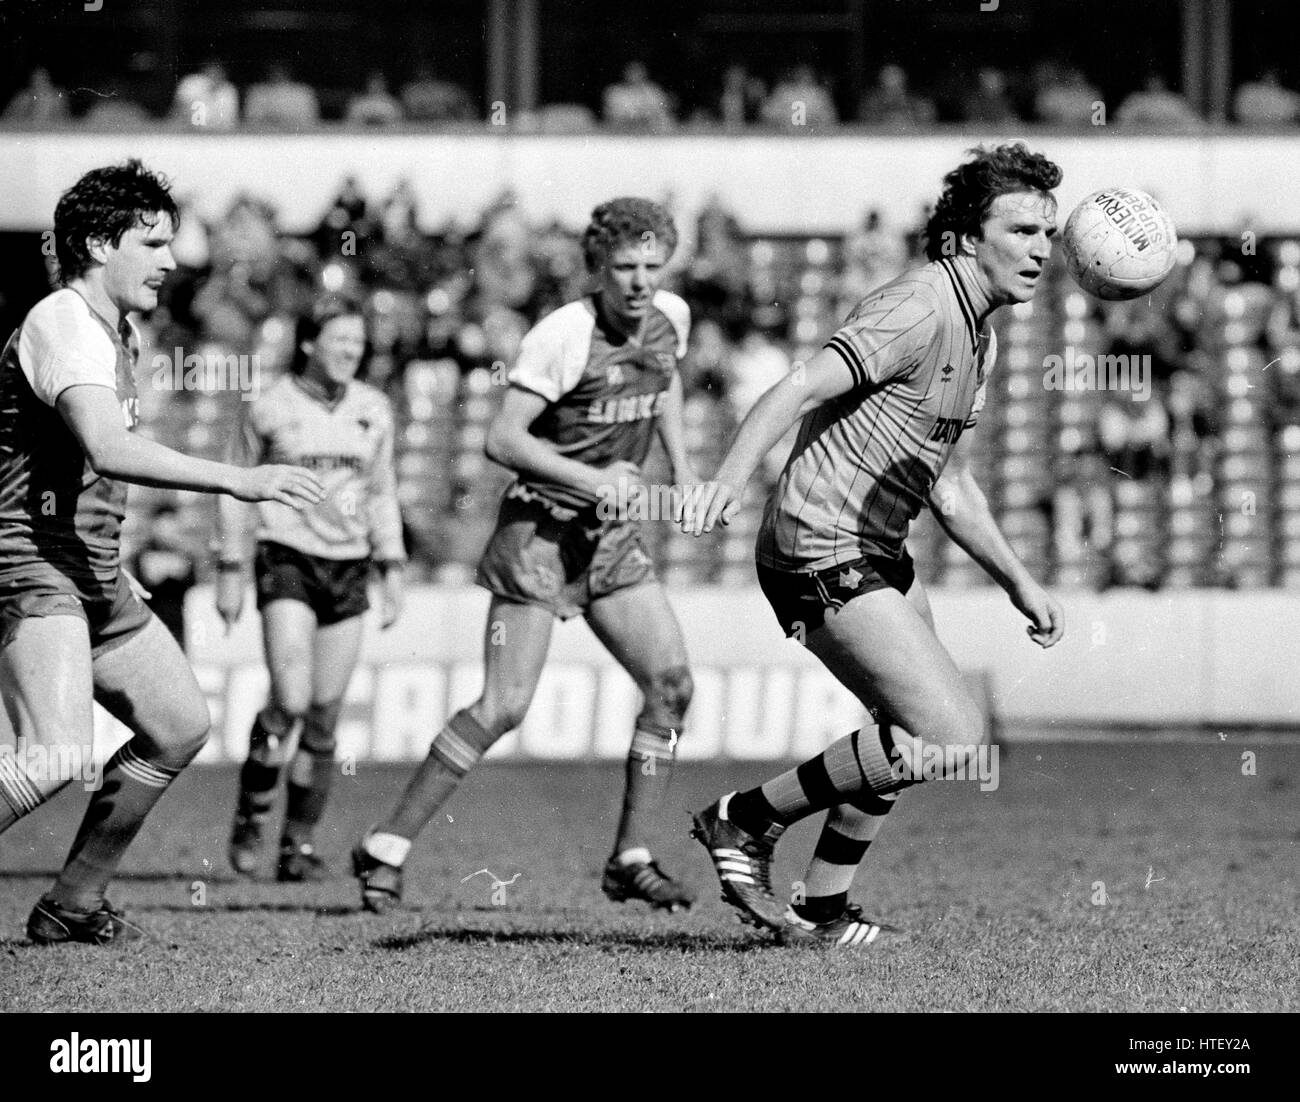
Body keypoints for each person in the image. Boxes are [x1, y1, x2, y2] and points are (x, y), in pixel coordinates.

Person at [681, 143, 1066, 946]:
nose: (1040, 249)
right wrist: (725, 479)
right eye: (1022, 229)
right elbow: (797, 385)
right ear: (963, 239)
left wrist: (1019, 582)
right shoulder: (919, 307)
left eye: (1049, 234)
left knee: (899, 729)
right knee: (953, 738)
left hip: (877, 546)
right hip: (818, 545)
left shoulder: (979, 335)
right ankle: (744, 820)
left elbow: (948, 486)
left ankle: (822, 908)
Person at [0, 160, 323, 944]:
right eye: (153, 242)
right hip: (31, 562)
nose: (172, 260)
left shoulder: (119, 329)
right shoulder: (63, 321)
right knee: (53, 754)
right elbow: (109, 449)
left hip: (90, 569)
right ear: (96, 243)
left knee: (178, 724)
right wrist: (238, 483)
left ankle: (72, 901)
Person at [352, 198, 699, 913]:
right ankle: (386, 845)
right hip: (538, 536)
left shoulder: (672, 318)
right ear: (596, 267)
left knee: (672, 685)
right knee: (505, 705)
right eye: (624, 267)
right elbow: (503, 440)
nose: (638, 282)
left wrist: (685, 471)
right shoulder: (563, 335)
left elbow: (665, 386)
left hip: (608, 541)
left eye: (650, 267)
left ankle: (630, 856)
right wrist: (595, 479)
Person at [218, 294, 406, 881]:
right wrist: (229, 567)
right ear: (307, 344)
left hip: (348, 565)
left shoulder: (374, 407)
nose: (353, 350)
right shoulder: (269, 406)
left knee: (324, 715)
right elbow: (233, 486)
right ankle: (253, 811)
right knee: (291, 697)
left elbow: (381, 490)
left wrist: (392, 565)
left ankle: (296, 847)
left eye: (358, 341)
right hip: (287, 557)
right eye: (340, 339)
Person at [127, 500, 198, 645]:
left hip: (180, 627)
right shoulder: (141, 555)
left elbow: (192, 583)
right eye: (163, 525)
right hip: (149, 625)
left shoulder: (186, 555)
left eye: (171, 525)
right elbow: (146, 580)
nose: (167, 531)